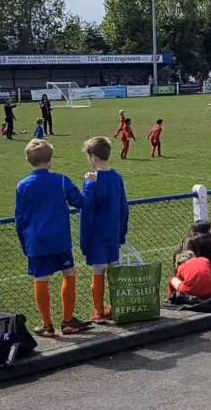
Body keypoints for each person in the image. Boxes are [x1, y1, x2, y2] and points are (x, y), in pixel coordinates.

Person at [15, 139, 97, 337]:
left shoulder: (22, 185)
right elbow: (81, 201)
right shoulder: (61, 180)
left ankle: (46, 324)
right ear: (50, 160)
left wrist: (24, 243)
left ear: (28, 160)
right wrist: (90, 184)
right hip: (59, 238)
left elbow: (20, 218)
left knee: (41, 279)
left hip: (36, 240)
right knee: (69, 274)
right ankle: (68, 320)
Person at [80, 136, 130, 324]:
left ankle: (99, 311)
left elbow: (87, 212)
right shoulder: (117, 177)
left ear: (93, 157)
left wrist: (84, 240)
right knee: (114, 268)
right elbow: (124, 208)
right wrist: (121, 232)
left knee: (98, 270)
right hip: (113, 231)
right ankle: (118, 307)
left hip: (97, 234)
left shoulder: (92, 180)